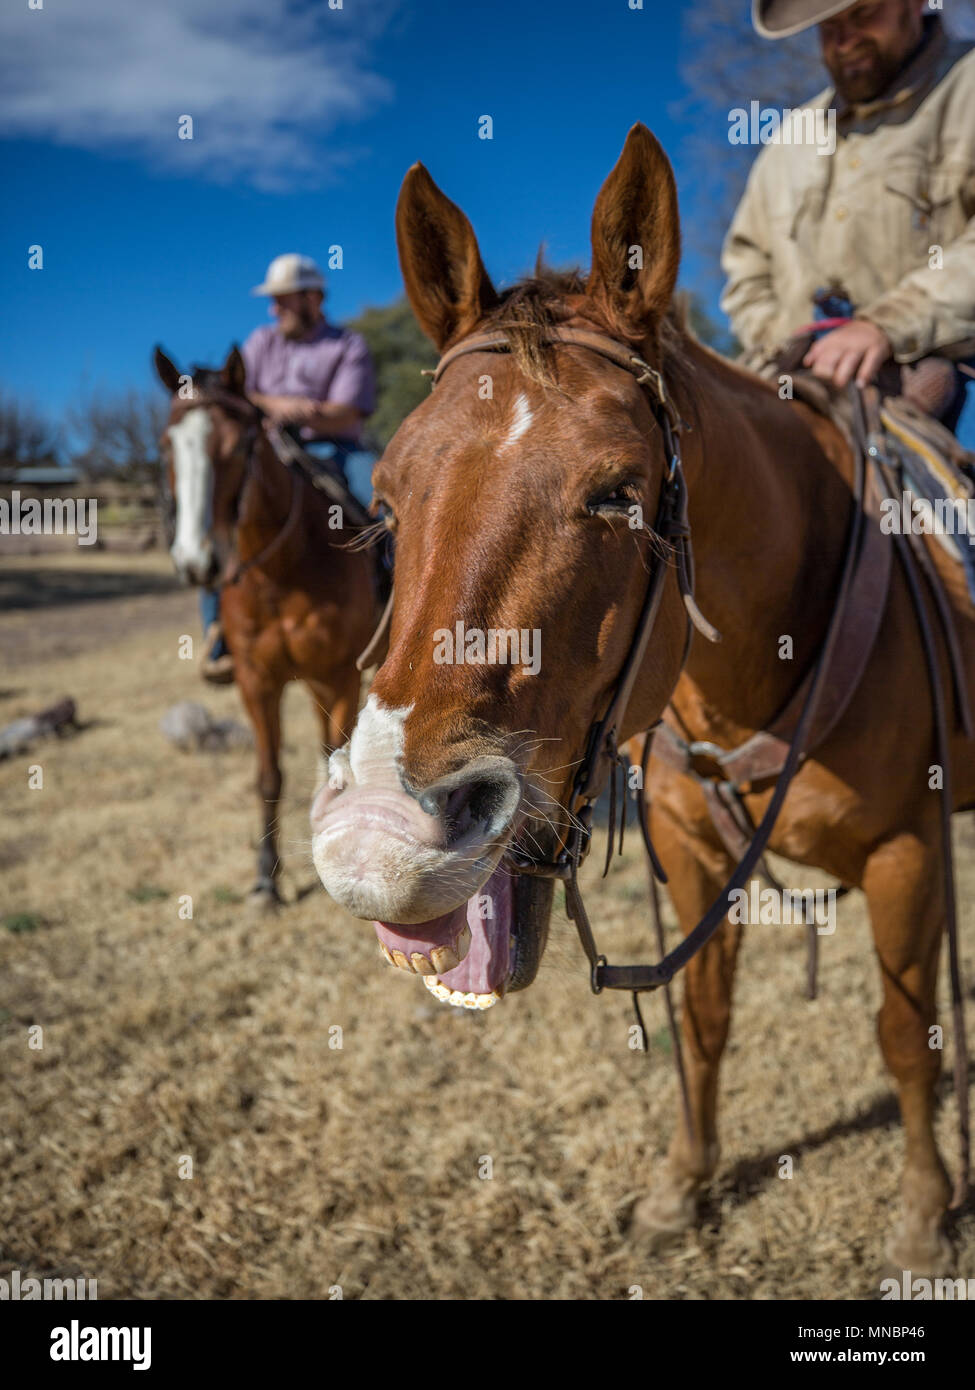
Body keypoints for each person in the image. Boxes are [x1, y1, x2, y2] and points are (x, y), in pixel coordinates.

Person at [722, 0, 975, 449]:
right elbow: (747, 272)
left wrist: (888, 326)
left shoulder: (967, 86)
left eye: (862, 15)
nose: (845, 40)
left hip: (952, 375)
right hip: (801, 390)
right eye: (829, 25)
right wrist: (788, 346)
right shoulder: (788, 142)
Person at [200, 253, 377, 683]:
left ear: (313, 298)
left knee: (383, 505)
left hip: (336, 449)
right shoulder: (260, 342)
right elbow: (242, 398)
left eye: (283, 299)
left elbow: (347, 412)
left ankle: (391, 608)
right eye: (273, 300)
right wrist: (292, 407)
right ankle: (217, 633)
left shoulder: (348, 346)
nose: (273, 308)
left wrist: (303, 414)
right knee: (218, 514)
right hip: (270, 449)